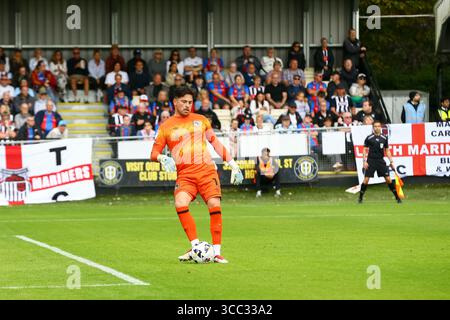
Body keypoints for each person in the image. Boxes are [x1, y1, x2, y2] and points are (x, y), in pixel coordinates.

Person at [150, 86, 244, 264]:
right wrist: (162, 157)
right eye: (184, 102)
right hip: (185, 176)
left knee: (214, 204)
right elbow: (153, 153)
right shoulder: (165, 127)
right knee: (180, 202)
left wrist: (233, 164)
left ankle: (216, 252)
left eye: (190, 102)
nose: (187, 105)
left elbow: (215, 143)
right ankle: (196, 248)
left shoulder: (201, 120)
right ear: (175, 102)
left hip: (207, 171)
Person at [359, 121, 402, 204]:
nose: (377, 128)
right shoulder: (369, 138)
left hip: (380, 160)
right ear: (373, 127)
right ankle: (360, 198)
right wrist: (364, 161)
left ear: (381, 127)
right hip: (371, 160)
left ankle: (397, 198)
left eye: (378, 126)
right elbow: (364, 149)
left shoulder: (384, 138)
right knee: (366, 180)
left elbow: (387, 150)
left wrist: (391, 161)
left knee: (388, 179)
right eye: (375, 126)